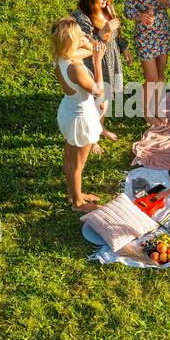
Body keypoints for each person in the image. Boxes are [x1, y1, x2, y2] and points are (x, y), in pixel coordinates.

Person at [51, 17, 104, 212]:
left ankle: (74, 193)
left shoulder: (60, 56)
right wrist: (97, 62)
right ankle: (78, 203)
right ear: (72, 41)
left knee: (69, 158)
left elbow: (90, 49)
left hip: (68, 111)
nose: (84, 35)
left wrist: (88, 44)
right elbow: (99, 91)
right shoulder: (76, 68)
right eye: (80, 34)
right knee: (78, 164)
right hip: (81, 119)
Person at [72, 0, 128, 148]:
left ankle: (100, 128)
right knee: (95, 103)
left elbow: (117, 34)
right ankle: (92, 138)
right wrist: (103, 32)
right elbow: (87, 46)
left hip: (110, 61)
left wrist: (124, 48)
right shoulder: (82, 18)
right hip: (94, 64)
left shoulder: (108, 9)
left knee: (105, 100)